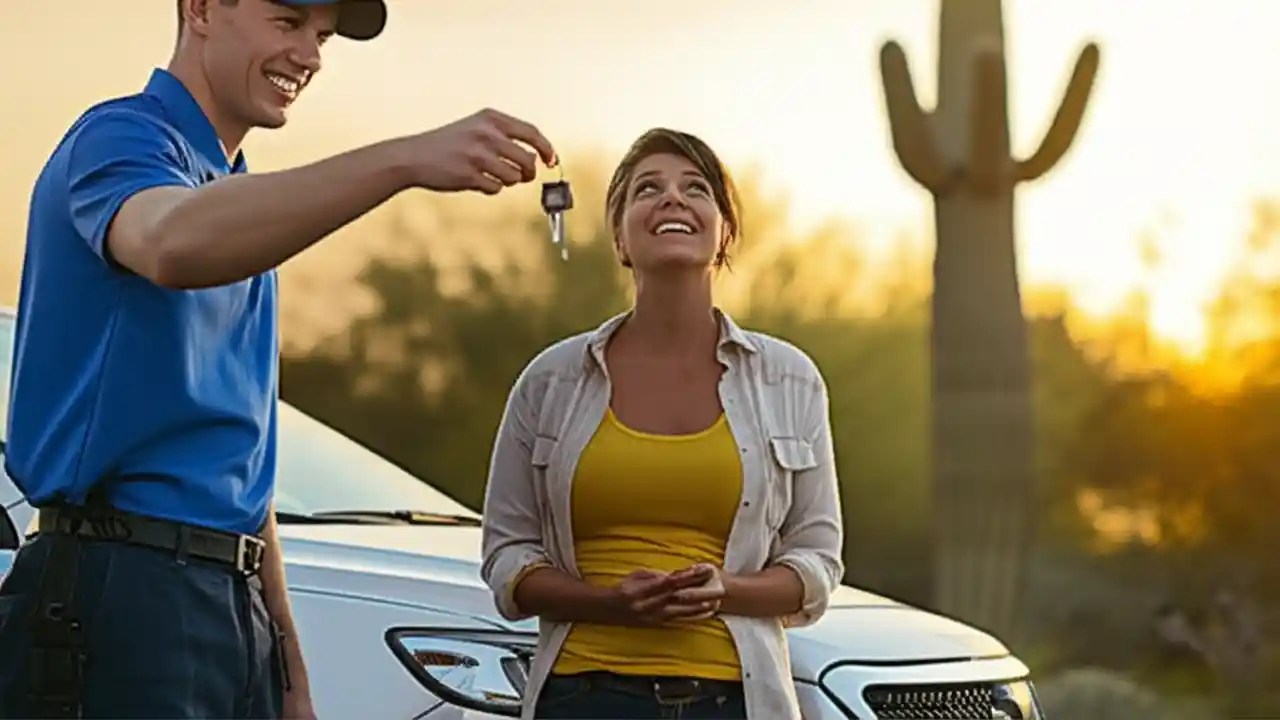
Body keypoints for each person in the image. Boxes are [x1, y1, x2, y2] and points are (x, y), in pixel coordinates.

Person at [0, 1, 557, 718]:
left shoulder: (237, 196)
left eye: (320, 37)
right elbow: (168, 243)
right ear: (200, 8)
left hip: (230, 607)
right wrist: (404, 159)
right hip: (119, 593)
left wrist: (288, 670)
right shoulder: (121, 139)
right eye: (288, 22)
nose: (311, 56)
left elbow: (246, 470)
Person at [480, 128, 845, 720]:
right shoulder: (551, 381)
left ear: (723, 232)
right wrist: (609, 602)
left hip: (732, 700)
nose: (672, 198)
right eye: (647, 189)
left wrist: (725, 589)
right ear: (621, 240)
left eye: (696, 188)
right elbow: (507, 559)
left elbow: (817, 562)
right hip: (583, 696)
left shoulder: (790, 380)